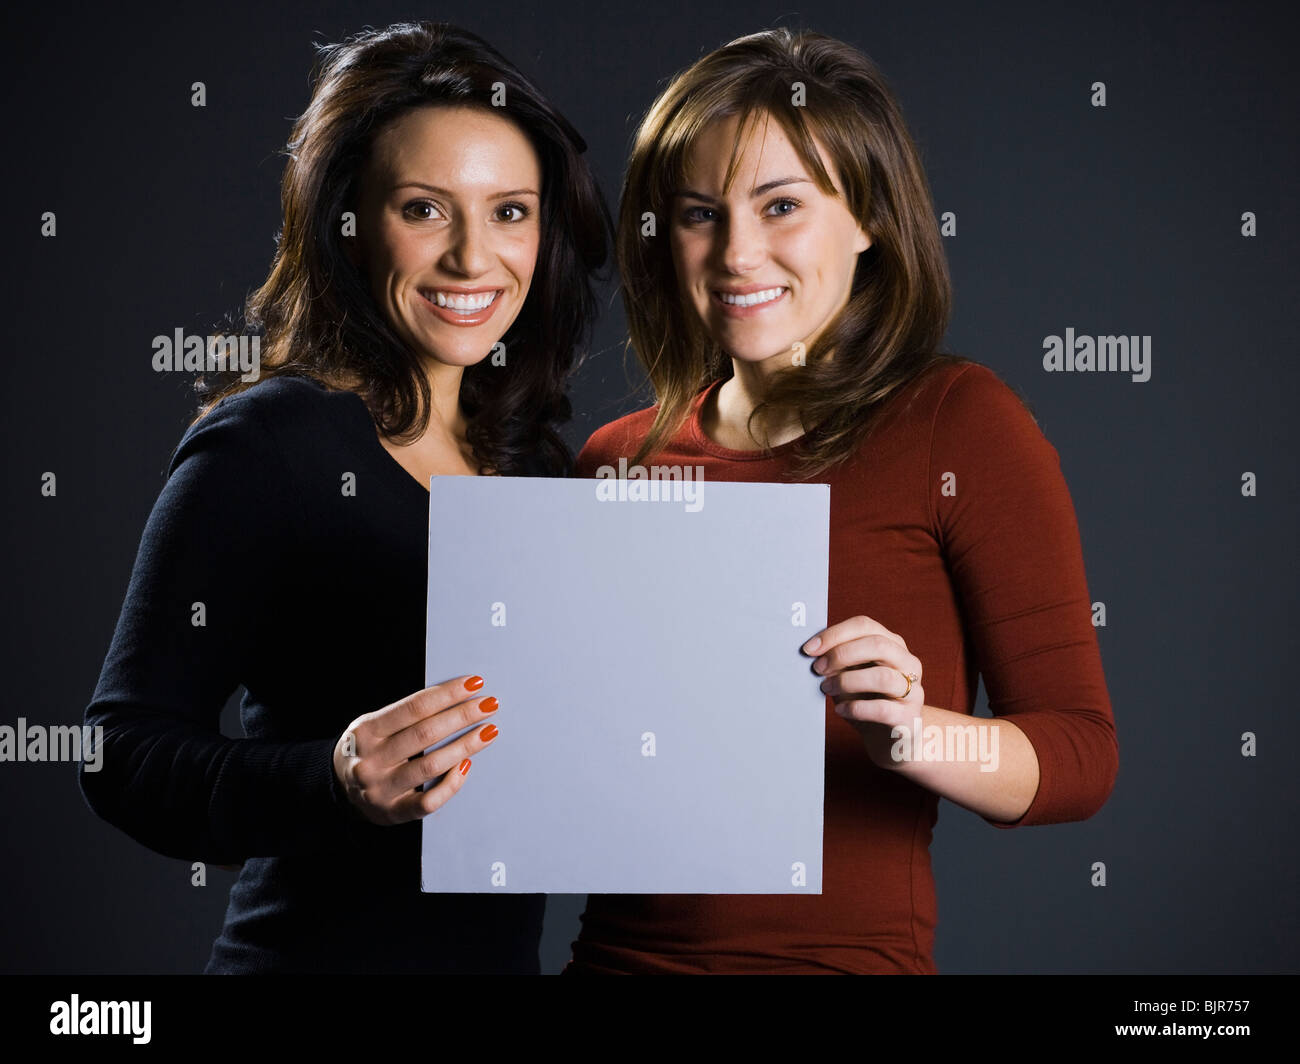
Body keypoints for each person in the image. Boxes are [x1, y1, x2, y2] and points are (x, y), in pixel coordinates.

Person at [566, 27, 1118, 974]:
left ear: (868, 218)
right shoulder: (614, 462)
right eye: (700, 214)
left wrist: (913, 732)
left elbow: (1080, 760)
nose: (739, 253)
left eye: (781, 205)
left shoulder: (960, 424)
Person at [79, 21, 610, 973]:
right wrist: (330, 778)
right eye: (424, 209)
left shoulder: (537, 468)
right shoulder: (271, 443)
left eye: (511, 212)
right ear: (349, 224)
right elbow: (118, 753)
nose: (472, 259)